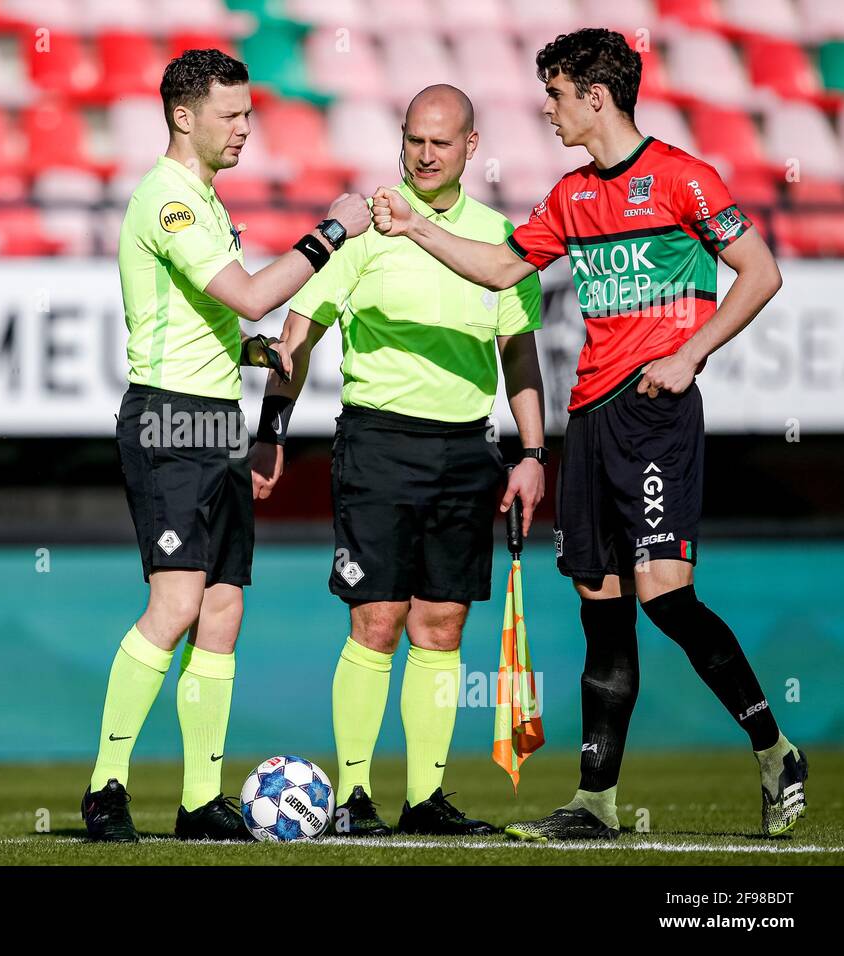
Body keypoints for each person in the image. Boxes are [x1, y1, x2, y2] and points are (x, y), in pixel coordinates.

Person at [371, 29, 803, 840]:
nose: (548, 108)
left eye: (558, 93)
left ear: (595, 97)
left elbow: (762, 270)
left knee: (664, 597)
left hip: (655, 413)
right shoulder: (570, 196)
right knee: (599, 607)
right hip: (592, 418)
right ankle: (596, 802)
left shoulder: (683, 179)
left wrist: (689, 353)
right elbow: (503, 268)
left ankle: (775, 747)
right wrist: (415, 228)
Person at [82, 48, 371, 842]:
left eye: (249, 113)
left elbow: (210, 318)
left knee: (222, 608)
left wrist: (248, 353)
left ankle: (200, 800)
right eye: (232, 115)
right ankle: (105, 790)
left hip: (214, 418)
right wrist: (334, 231)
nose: (247, 128)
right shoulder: (169, 199)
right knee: (174, 602)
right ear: (184, 116)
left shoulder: (205, 199)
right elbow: (247, 294)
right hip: (169, 420)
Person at [251, 85, 546, 837]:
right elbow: (301, 331)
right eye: (414, 138)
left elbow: (518, 351)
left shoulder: (498, 243)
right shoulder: (362, 231)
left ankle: (426, 801)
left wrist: (533, 450)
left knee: (442, 625)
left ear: (471, 149)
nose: (424, 153)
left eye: (441, 143)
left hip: (465, 449)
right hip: (378, 443)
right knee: (376, 619)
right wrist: (271, 431)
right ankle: (352, 800)